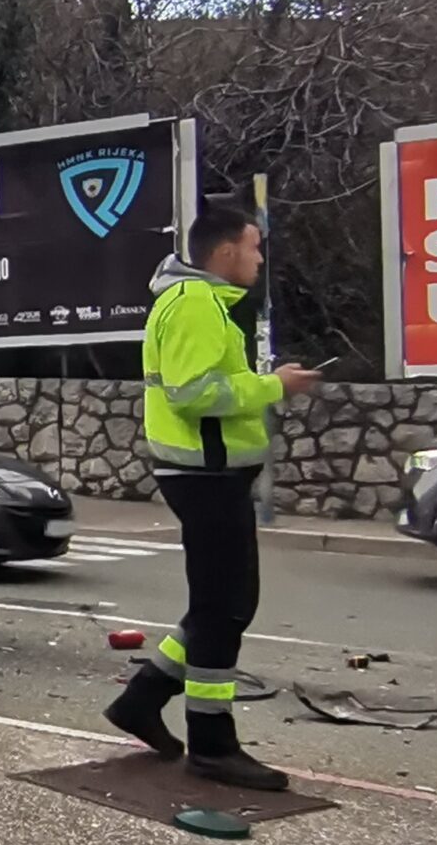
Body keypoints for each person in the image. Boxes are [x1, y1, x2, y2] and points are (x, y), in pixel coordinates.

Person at [102, 204, 324, 790]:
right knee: (223, 609)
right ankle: (211, 744)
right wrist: (275, 386)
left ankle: (143, 699)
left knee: (221, 605)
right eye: (253, 247)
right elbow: (194, 393)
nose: (259, 258)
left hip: (211, 474)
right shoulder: (195, 303)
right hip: (205, 475)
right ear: (225, 252)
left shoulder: (200, 301)